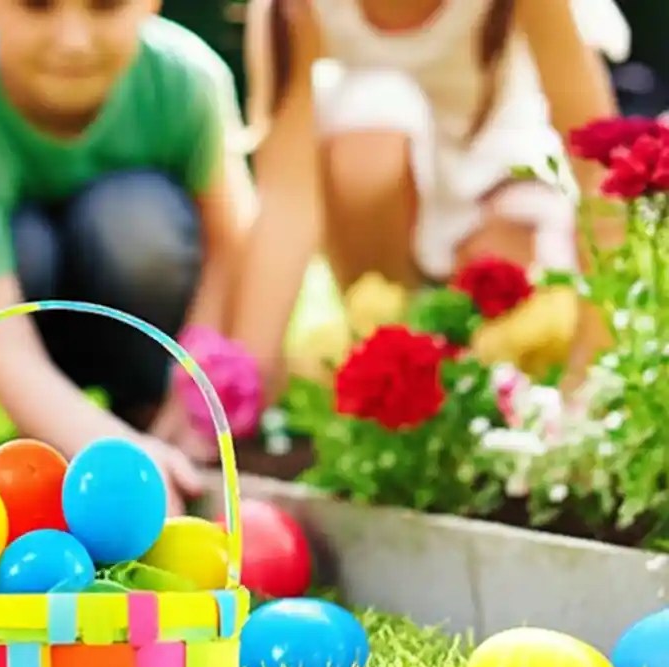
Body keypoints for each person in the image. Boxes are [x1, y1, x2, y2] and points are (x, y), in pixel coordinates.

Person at [0, 0, 257, 514]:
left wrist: (193, 390)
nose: (74, 39)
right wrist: (117, 460)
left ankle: (143, 407)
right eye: (37, 5)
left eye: (106, 6)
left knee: (138, 221)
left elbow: (230, 245)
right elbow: (1, 343)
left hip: (106, 297)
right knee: (26, 245)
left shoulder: (184, 81)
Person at [231, 0, 630, 400]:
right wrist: (244, 375)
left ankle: (492, 375)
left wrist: (595, 359)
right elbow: (286, 199)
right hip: (382, 197)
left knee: (517, 239)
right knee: (373, 114)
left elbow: (594, 165)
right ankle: (394, 350)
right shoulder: (297, 9)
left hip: (496, 175)